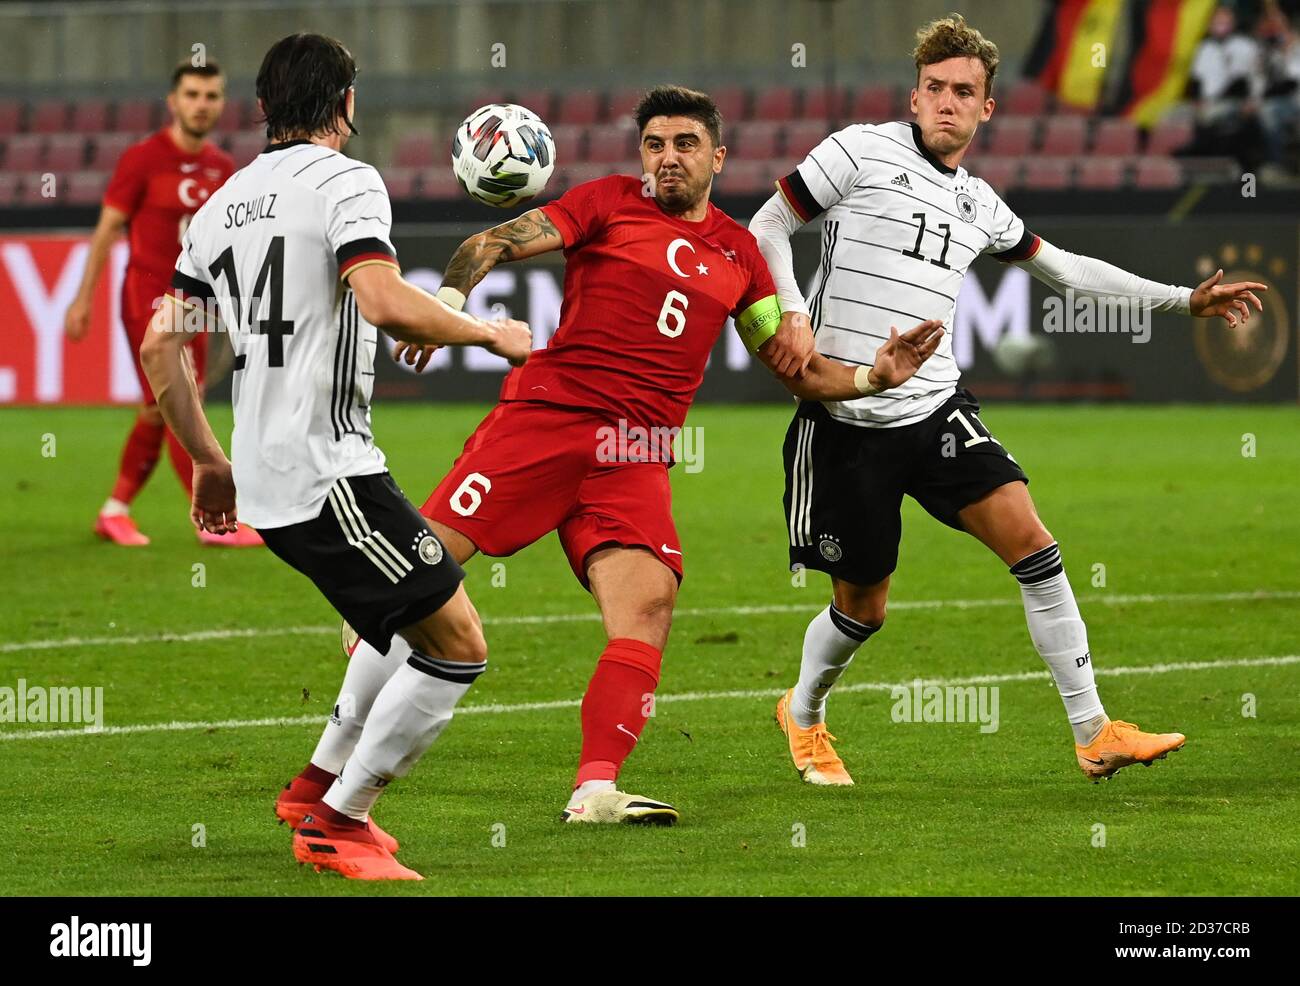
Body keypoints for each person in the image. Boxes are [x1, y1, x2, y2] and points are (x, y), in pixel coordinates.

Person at [286, 84, 943, 828]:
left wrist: (870, 377)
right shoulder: (602, 203)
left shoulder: (739, 257)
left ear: (718, 157)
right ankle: (322, 776)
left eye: (685, 145)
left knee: (648, 608)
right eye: (656, 145)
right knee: (415, 581)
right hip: (546, 424)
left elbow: (793, 368)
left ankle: (594, 790)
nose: (668, 159)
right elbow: (489, 243)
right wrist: (451, 305)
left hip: (635, 454)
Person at [748, 13, 1265, 786]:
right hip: (846, 419)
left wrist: (1181, 297)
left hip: (936, 411)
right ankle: (806, 711)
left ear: (987, 108)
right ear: (914, 95)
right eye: (934, 88)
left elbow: (1068, 271)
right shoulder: (860, 149)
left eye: (963, 91)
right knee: (863, 609)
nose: (946, 102)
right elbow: (769, 221)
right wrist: (791, 307)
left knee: (1035, 545)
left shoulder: (982, 204)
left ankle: (1094, 732)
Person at [141, 32, 532, 880]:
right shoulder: (348, 181)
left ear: (259, 110)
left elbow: (159, 345)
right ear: (346, 104)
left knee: (405, 611)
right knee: (459, 644)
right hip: (328, 473)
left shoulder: (219, 207)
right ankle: (338, 822)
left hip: (269, 473)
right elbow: (387, 304)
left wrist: (208, 460)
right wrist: (490, 332)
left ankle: (314, 782)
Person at [64, 60, 257, 546]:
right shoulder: (142, 159)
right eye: (192, 94)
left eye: (211, 96)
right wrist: (82, 298)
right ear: (173, 102)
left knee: (159, 408)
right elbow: (108, 230)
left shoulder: (222, 168)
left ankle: (115, 510)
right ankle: (214, 520)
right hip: (147, 302)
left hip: (196, 302)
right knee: (177, 401)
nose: (201, 104)